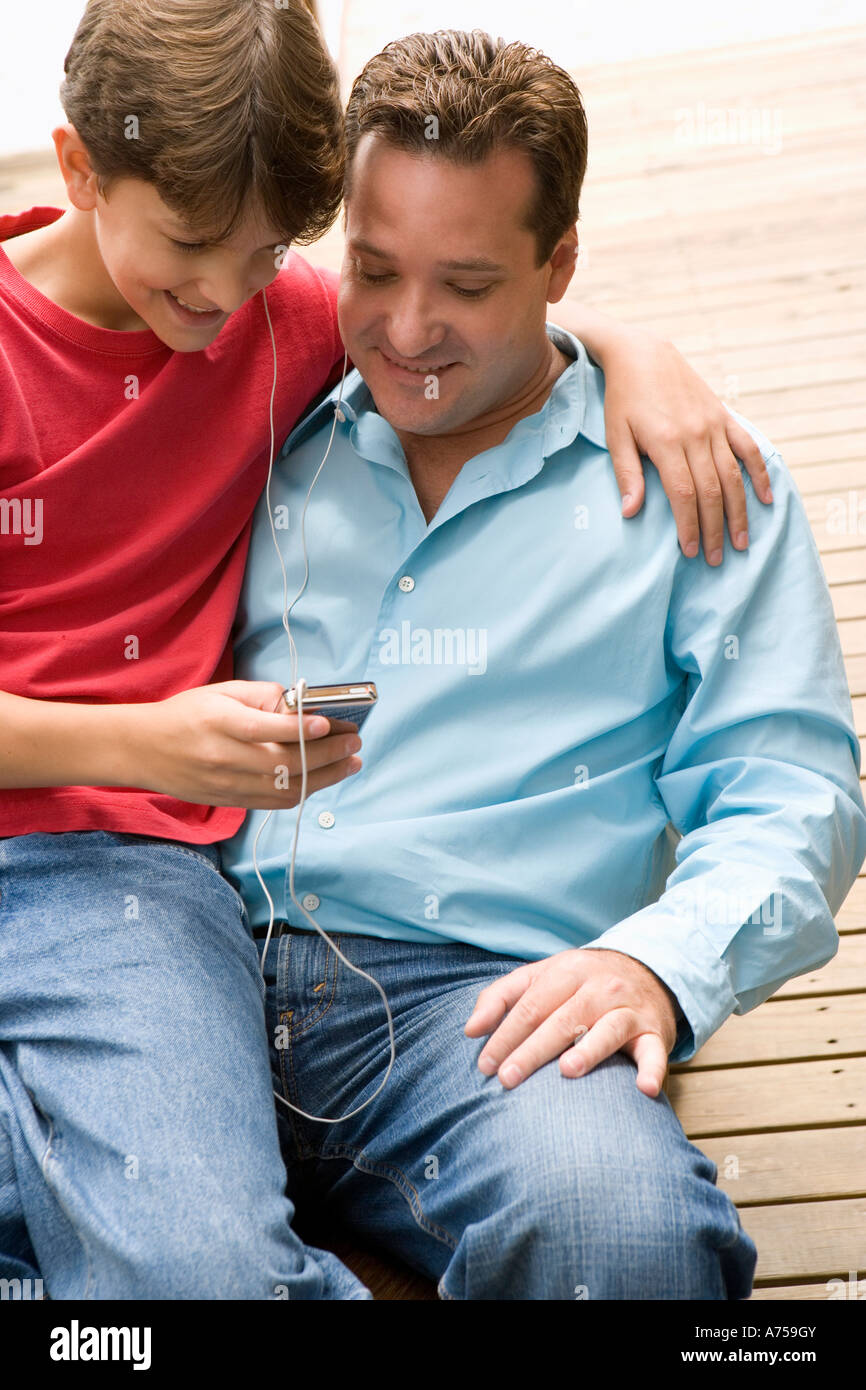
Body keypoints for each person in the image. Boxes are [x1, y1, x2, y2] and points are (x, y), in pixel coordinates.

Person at [0, 3, 764, 1300]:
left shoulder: (272, 326)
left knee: (195, 1273)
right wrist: (145, 735)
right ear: (77, 169)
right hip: (117, 794)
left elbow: (474, 318)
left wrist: (633, 351)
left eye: (267, 260)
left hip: (108, 875)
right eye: (191, 250)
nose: (225, 297)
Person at [221, 29, 866, 1300]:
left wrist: (653, 964)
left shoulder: (693, 484)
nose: (405, 332)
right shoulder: (264, 398)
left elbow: (790, 794)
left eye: (466, 283)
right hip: (192, 964)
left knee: (623, 1247)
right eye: (375, 268)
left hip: (487, 1012)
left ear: (558, 262)